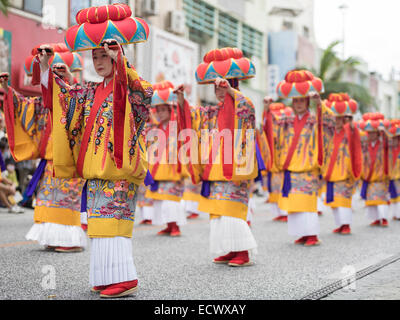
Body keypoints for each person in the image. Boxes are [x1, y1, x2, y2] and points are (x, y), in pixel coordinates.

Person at [40, 3, 153, 298]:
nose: (99, 60)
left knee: (114, 225)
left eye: (105, 55)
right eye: (96, 55)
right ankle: (106, 277)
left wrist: (123, 64)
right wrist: (46, 71)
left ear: (117, 55)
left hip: (120, 168)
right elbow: (63, 97)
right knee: (100, 225)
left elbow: (144, 95)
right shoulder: (90, 90)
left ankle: (125, 279)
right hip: (97, 170)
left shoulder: (130, 84)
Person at [175, 47, 259, 267]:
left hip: (235, 169)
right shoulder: (212, 112)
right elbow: (192, 117)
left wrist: (231, 92)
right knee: (218, 212)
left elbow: (248, 111)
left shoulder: (244, 105)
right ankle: (229, 249)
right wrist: (182, 100)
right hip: (215, 169)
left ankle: (243, 252)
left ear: (233, 84)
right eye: (216, 85)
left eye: (223, 84)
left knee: (231, 210)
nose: (219, 89)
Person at [1, 46, 86, 253]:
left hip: (71, 158)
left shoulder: (78, 95)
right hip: (51, 159)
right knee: (49, 197)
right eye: (54, 72)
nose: (57, 76)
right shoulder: (46, 103)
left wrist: (49, 68)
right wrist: (8, 90)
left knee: (66, 198)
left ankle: (70, 240)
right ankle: (53, 236)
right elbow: (24, 105)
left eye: (61, 71)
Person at [264, 70, 335, 246]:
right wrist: (266, 109)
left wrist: (319, 105)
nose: (299, 104)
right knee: (295, 205)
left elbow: (328, 124)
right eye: (296, 101)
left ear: (308, 102)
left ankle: (312, 235)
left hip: (307, 169)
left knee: (307, 204)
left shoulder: (314, 120)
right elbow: (272, 131)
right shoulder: (286, 121)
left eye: (302, 100)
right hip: (291, 169)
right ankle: (302, 233)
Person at [145, 81, 186, 237]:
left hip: (172, 168)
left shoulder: (177, 126)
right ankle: (168, 225)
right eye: (159, 110)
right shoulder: (154, 128)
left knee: (171, 200)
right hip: (158, 169)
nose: (161, 113)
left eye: (164, 110)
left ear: (170, 110)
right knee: (161, 200)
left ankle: (175, 226)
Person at [321, 93, 362, 235]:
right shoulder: (329, 132)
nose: (337, 121)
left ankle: (346, 225)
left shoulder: (349, 131)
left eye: (339, 118)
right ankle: (340, 224)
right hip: (331, 172)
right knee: (334, 202)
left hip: (345, 172)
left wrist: (351, 126)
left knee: (344, 200)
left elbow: (356, 141)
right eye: (334, 118)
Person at [359, 113, 390, 227]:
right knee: (371, 201)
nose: (371, 135)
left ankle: (384, 218)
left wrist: (384, 132)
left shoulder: (383, 143)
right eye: (369, 133)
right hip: (368, 175)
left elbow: (389, 143)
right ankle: (376, 219)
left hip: (380, 175)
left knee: (381, 200)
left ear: (377, 133)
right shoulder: (365, 144)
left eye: (373, 133)